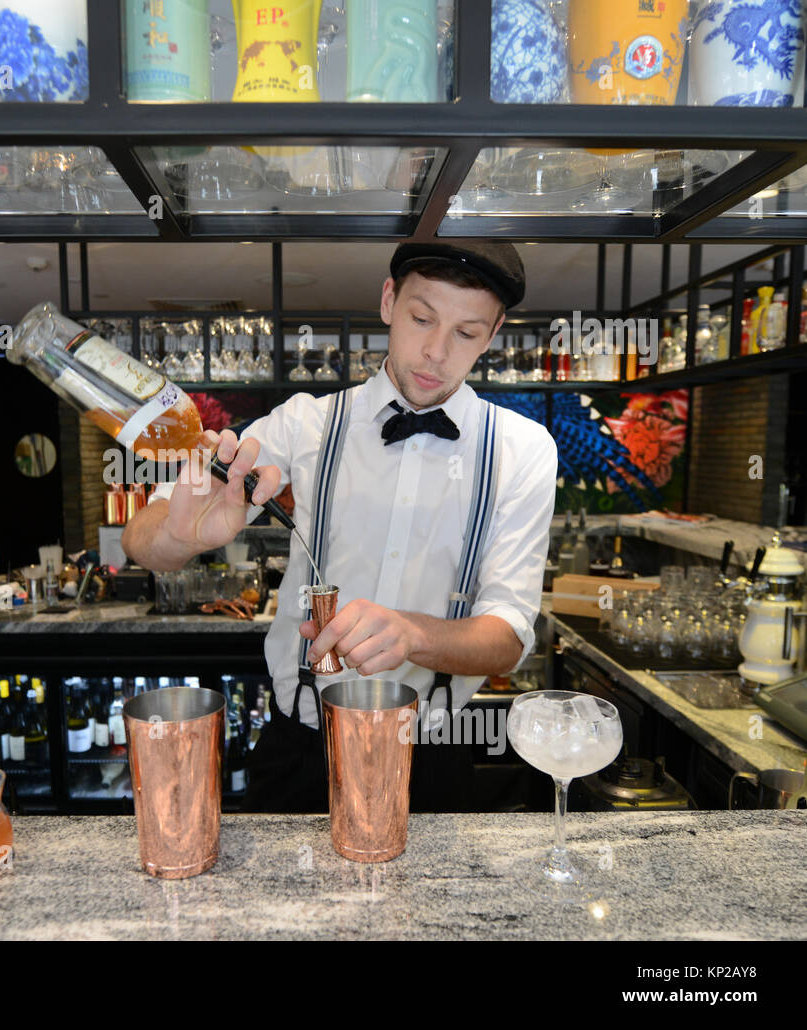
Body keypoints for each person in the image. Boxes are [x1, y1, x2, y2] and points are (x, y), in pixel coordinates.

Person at [121, 241, 558, 813]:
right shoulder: (306, 423)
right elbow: (140, 540)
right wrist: (181, 538)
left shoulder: (522, 451)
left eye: (466, 333)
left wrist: (415, 635)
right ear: (388, 301)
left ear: (495, 331)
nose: (434, 351)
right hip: (300, 751)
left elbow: (508, 636)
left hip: (430, 757)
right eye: (421, 318)